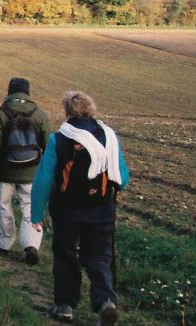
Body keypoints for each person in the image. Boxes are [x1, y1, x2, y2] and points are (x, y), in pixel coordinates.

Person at [30, 91, 129, 325]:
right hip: (102, 210)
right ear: (91, 110)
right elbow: (123, 179)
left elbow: (44, 179)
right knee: (99, 257)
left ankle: (65, 305)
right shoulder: (109, 136)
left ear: (67, 112)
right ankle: (105, 302)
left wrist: (36, 214)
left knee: (65, 255)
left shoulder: (59, 138)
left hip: (66, 211)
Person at [0, 77, 50, 264]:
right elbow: (48, 148)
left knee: (4, 206)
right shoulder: (40, 115)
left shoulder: (1, 114)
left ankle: (4, 243)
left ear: (9, 92)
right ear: (28, 92)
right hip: (31, 172)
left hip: (5, 172)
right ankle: (31, 245)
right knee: (29, 207)